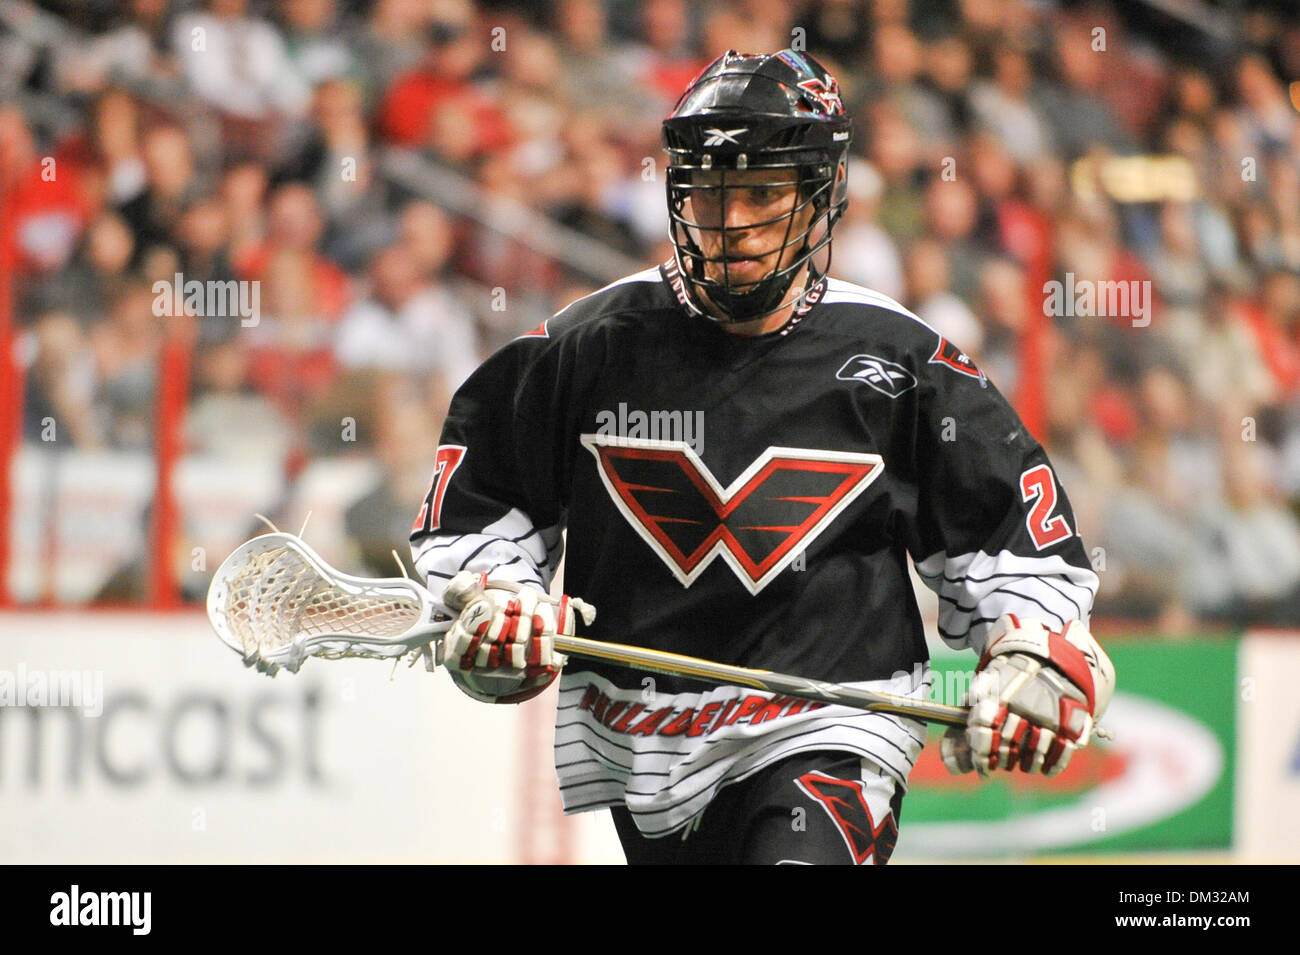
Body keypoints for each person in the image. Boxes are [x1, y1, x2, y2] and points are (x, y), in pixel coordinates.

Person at [410, 50, 1115, 865]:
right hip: (646, 752)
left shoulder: (900, 364)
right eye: (709, 194)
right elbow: (476, 515)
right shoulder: (586, 348)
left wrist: (1033, 655)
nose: (731, 221)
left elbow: (1017, 549)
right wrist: (499, 600)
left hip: (833, 731)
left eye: (761, 192)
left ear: (820, 197)